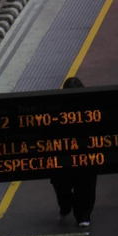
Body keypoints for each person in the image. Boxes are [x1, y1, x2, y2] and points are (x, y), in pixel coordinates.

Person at [48, 77, 98, 226]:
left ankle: (83, 215)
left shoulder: (90, 110)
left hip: (85, 155)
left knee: (86, 184)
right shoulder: (56, 111)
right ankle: (67, 206)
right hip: (64, 155)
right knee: (62, 184)